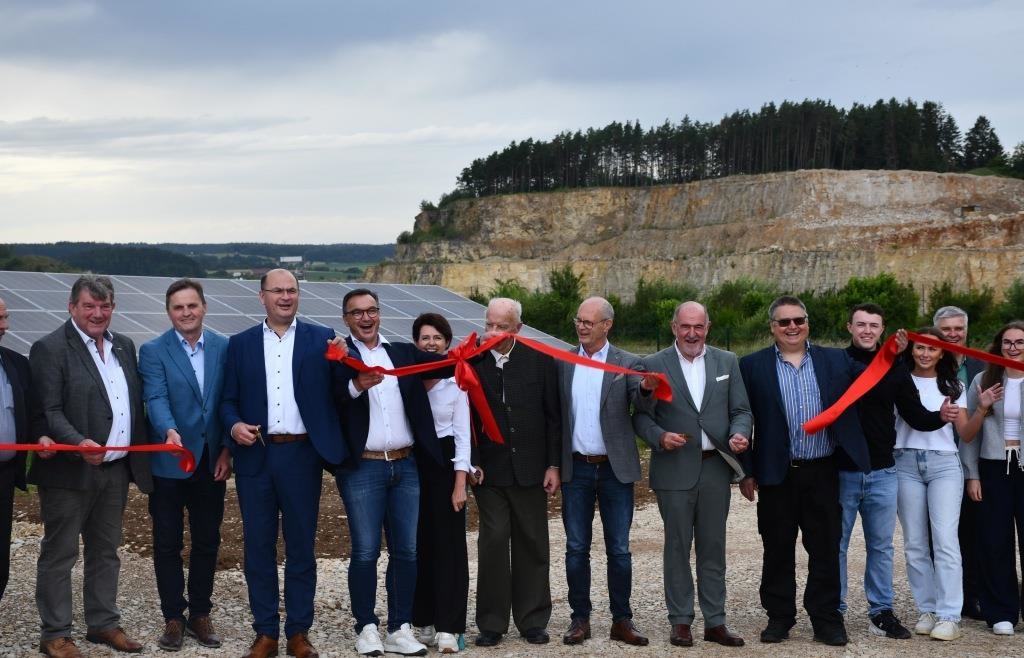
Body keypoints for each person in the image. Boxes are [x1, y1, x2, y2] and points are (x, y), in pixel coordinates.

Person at [219, 269, 348, 658]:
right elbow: (227, 401)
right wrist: (234, 425)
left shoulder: (322, 337)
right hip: (256, 455)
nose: (286, 297)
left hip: (301, 456)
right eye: (278, 291)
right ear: (262, 297)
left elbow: (347, 381)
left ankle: (298, 632)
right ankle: (265, 634)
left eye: (292, 290)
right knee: (258, 546)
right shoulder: (239, 344)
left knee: (301, 547)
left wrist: (348, 354)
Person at [28, 275, 154, 658]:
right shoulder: (50, 348)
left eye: (105, 306)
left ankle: (102, 623)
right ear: (72, 307)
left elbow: (132, 403)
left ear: (113, 308)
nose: (98, 314)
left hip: (115, 470)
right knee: (60, 553)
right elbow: (49, 409)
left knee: (106, 551)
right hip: (69, 472)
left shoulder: (124, 346)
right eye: (89, 306)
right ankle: (56, 633)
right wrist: (78, 442)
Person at [737, 295, 869, 647]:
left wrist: (892, 349)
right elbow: (741, 418)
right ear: (772, 328)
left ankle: (826, 620)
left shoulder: (834, 360)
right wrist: (746, 471)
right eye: (784, 322)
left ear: (807, 322)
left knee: (825, 548)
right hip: (777, 474)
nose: (792, 327)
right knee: (777, 548)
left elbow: (873, 376)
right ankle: (779, 618)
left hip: (822, 471)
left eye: (798, 320)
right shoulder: (752, 366)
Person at [334, 288, 452, 657]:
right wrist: (356, 385)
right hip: (363, 468)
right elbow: (327, 400)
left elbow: (441, 365)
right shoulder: (339, 357)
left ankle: (399, 627)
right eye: (357, 313)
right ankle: (366, 626)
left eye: (371, 311)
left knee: (407, 552)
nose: (366, 318)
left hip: (406, 464)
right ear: (346, 319)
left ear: (380, 314)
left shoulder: (401, 352)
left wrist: (478, 349)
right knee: (366, 552)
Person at [633, 301, 751, 648]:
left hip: (716, 466)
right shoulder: (653, 364)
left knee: (714, 548)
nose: (692, 334)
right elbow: (640, 415)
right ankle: (680, 620)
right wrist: (658, 437)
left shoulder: (727, 361)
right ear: (674, 328)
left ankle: (716, 622)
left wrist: (740, 433)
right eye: (685, 327)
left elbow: (741, 409)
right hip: (673, 469)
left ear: (708, 328)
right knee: (677, 547)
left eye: (698, 327)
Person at [839, 303, 954, 639]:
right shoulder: (834, 363)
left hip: (883, 471)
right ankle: (835, 611)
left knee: (882, 546)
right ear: (849, 327)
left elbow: (915, 414)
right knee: (837, 545)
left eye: (874, 325)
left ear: (882, 329)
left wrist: (940, 417)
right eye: (861, 324)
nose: (867, 331)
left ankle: (881, 612)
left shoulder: (894, 368)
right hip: (842, 470)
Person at [138, 279, 231, 651]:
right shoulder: (153, 350)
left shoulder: (225, 347)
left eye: (192, 305)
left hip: (212, 462)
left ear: (204, 307)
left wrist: (227, 449)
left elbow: (229, 401)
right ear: (169, 312)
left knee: (208, 540)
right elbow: (156, 397)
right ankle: (173, 617)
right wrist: (168, 430)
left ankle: (201, 614)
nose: (186, 312)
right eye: (178, 307)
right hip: (170, 460)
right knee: (167, 542)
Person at [558, 297, 649, 647]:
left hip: (614, 470)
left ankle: (621, 620)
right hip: (576, 468)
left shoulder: (627, 362)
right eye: (578, 320)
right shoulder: (564, 361)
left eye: (589, 322)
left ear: (607, 325)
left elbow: (642, 404)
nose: (581, 327)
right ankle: (580, 619)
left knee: (620, 548)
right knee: (576, 547)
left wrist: (643, 388)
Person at [470, 297, 561, 648]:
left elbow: (554, 417)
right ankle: (491, 623)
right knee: (492, 543)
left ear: (517, 329)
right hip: (489, 473)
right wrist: (473, 461)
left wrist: (553, 464)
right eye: (489, 324)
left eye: (501, 326)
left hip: (531, 471)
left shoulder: (540, 361)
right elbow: (464, 419)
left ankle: (532, 619)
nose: (492, 332)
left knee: (532, 543)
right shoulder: (472, 363)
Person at [894, 327, 994, 641]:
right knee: (914, 543)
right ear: (911, 350)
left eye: (932, 349)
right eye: (920, 348)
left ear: (942, 353)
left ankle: (949, 614)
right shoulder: (898, 379)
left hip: (943, 464)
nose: (925, 354)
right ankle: (927, 608)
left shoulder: (954, 384)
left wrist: (980, 409)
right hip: (905, 462)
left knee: (945, 540)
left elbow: (965, 434)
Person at [410, 312, 476, 654]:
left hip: (448, 466)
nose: (431, 343)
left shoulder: (457, 380)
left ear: (447, 343)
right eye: (424, 338)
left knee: (449, 547)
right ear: (416, 344)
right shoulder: (408, 380)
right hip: (414, 464)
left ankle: (450, 627)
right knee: (419, 545)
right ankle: (424, 621)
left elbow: (464, 436)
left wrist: (460, 482)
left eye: (437, 338)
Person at [961, 321, 1024, 636]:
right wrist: (972, 474)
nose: (1013, 347)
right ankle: (1001, 612)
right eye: (1008, 342)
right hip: (993, 466)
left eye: (1020, 342)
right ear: (999, 346)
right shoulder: (982, 381)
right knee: (994, 541)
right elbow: (969, 434)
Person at [933, 305, 986, 620]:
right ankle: (944, 598)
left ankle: (974, 595)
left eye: (958, 329)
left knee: (975, 531)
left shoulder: (984, 366)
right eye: (946, 330)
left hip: (974, 461)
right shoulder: (923, 363)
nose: (953, 335)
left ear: (966, 330)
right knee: (938, 535)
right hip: (936, 459)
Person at [0, 297, 46, 604]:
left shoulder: (15, 363)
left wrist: (42, 436)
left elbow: (33, 414)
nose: (5, 326)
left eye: (5, 317)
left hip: (3, 475)